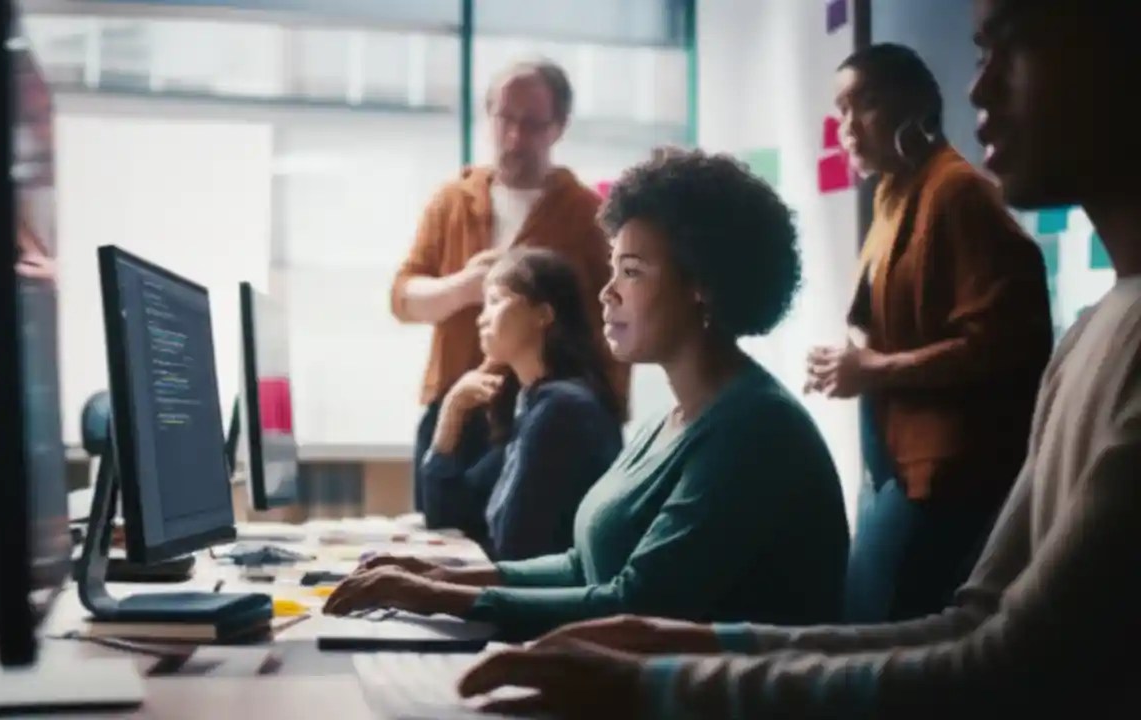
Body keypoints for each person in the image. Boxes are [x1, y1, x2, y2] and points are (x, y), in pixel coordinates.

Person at [457, 2, 1141, 717]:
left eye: (1017, 43)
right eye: (979, 54)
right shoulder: (1093, 329)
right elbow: (975, 625)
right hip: (902, 470)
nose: (979, 91)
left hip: (937, 478)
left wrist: (661, 679)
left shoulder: (955, 199)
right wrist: (698, 646)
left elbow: (1009, 664)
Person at [325, 150, 850, 640]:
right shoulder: (666, 421)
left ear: (703, 286)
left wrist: (437, 596)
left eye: (632, 272)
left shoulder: (753, 431)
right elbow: (581, 564)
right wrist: (442, 575)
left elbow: (636, 606)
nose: (607, 291)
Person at [805, 43, 1052, 622]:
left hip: (946, 479)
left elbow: (1004, 344)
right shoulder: (893, 192)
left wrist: (873, 370)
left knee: (889, 637)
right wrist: (852, 359)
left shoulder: (959, 192)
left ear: (914, 105)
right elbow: (883, 319)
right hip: (893, 462)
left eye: (862, 105)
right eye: (840, 112)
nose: (847, 128)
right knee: (864, 625)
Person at [390, 58, 630, 516]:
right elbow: (402, 298)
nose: (515, 138)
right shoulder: (452, 201)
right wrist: (465, 287)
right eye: (505, 119)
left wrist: (603, 412)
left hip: (546, 415)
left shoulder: (587, 215)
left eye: (533, 124)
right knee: (440, 535)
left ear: (559, 127)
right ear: (488, 114)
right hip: (457, 404)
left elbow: (616, 319)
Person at [422, 247, 624, 561]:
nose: (480, 319)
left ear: (543, 315)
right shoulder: (531, 402)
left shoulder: (562, 410)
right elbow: (446, 516)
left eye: (495, 302)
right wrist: (451, 413)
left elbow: (517, 550)